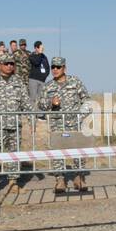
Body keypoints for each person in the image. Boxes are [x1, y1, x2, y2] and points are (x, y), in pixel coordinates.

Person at [37, 56, 91, 194]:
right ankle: (60, 180)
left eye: (58, 67)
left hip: (74, 123)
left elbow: (87, 100)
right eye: (53, 67)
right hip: (57, 124)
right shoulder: (48, 86)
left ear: (64, 68)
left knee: (77, 151)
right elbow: (40, 105)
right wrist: (50, 102)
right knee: (57, 151)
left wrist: (81, 116)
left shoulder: (75, 82)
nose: (55, 69)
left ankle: (79, 178)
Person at [0, 52, 31, 189]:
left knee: (14, 153)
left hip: (14, 124)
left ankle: (13, 181)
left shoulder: (18, 81)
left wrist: (31, 119)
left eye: (11, 64)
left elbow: (25, 101)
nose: (9, 66)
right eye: (6, 64)